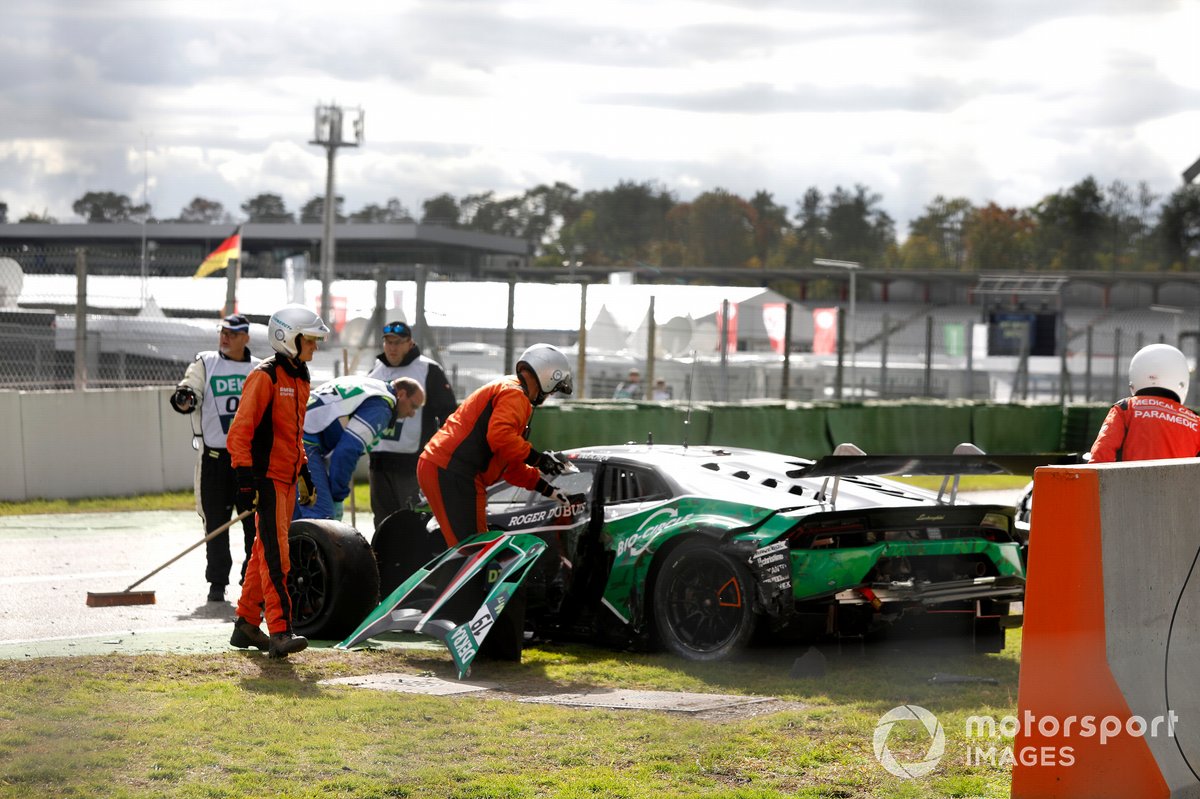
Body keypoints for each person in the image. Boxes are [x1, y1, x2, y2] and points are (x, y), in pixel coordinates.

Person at [226, 303, 329, 659]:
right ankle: (281, 631)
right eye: (310, 340)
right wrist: (245, 484)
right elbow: (239, 434)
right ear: (289, 338)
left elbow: (293, 435)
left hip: (286, 479)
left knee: (262, 554)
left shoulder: (300, 377)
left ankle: (245, 624)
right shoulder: (264, 376)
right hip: (265, 481)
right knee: (276, 559)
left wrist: (305, 475)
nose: (315, 347)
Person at [417, 343, 575, 547]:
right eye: (555, 388)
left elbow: (510, 464)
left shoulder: (511, 390)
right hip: (454, 472)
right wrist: (539, 459)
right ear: (548, 377)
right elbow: (501, 437)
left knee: (469, 548)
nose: (551, 394)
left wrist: (548, 489)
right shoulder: (515, 395)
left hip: (445, 468)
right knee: (473, 552)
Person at [168, 313, 261, 603]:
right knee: (215, 522)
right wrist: (185, 397)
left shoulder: (259, 368)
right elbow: (189, 388)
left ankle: (251, 580)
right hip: (214, 459)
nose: (225, 337)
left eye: (232, 334)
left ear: (245, 338)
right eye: (222, 332)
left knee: (252, 523)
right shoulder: (206, 361)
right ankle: (217, 583)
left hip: (247, 461)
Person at [294, 375, 425, 521]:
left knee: (292, 518)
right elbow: (347, 452)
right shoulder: (382, 407)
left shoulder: (370, 385)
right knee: (319, 520)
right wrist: (337, 497)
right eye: (413, 406)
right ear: (401, 394)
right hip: (303, 442)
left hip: (289, 435)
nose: (412, 414)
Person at [365, 320, 457, 523]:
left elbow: (449, 416)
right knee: (382, 520)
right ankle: (382, 555)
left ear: (410, 343)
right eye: (388, 342)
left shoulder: (428, 370)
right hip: (379, 461)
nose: (392, 348)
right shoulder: (376, 370)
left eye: (397, 342)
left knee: (412, 520)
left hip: (412, 464)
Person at [1089, 343, 1200, 463]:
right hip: (1180, 482)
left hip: (1129, 481)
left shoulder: (1125, 408)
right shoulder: (1195, 421)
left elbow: (1101, 456)